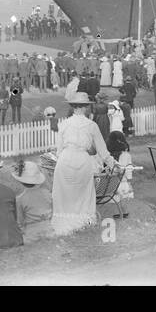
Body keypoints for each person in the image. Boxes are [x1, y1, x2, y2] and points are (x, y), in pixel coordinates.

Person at [52, 81, 115, 235]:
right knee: (82, 192)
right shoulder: (91, 125)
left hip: (65, 159)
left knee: (66, 192)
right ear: (86, 107)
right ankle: (82, 222)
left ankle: (64, 224)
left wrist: (62, 158)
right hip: (81, 159)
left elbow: (59, 150)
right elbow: (102, 150)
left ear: (73, 107)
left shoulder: (64, 124)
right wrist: (112, 162)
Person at [11, 159, 54, 243]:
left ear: (20, 181)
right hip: (48, 228)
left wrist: (23, 231)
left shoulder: (20, 199)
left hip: (31, 231)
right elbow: (52, 211)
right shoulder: (47, 193)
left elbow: (20, 221)